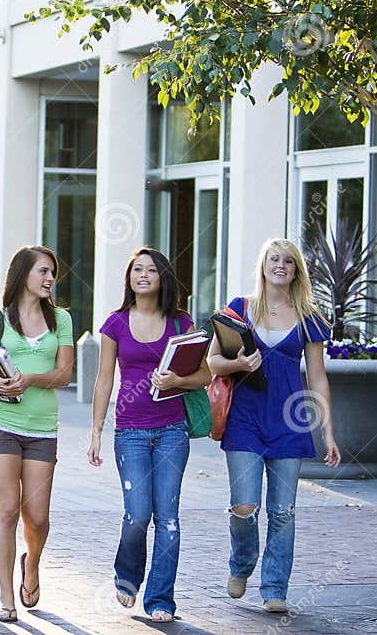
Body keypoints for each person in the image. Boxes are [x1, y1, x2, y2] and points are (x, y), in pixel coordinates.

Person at [206, 237, 341, 613]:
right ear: (263, 266)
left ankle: (275, 589)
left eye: (288, 261)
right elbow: (212, 362)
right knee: (245, 506)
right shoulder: (239, 309)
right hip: (245, 419)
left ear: (297, 270)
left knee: (282, 511)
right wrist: (238, 366)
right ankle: (241, 563)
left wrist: (327, 431)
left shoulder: (309, 317)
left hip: (289, 422)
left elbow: (318, 377)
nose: (280, 265)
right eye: (273, 259)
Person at [88, 247, 211, 623]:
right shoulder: (115, 323)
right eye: (137, 269)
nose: (143, 275)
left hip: (173, 429)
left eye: (151, 270)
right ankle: (127, 576)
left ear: (162, 278)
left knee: (169, 518)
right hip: (130, 432)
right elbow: (104, 378)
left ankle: (161, 599)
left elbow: (204, 375)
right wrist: (95, 431)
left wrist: (179, 380)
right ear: (129, 277)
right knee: (138, 514)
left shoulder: (180, 322)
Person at [0, 245, 74, 623]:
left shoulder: (61, 320)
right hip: (1, 425)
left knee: (36, 517)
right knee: (7, 509)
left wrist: (31, 379)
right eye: (42, 271)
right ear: (23, 273)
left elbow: (65, 374)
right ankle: (7, 598)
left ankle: (33, 563)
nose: (49, 278)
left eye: (52, 272)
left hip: (42, 429)